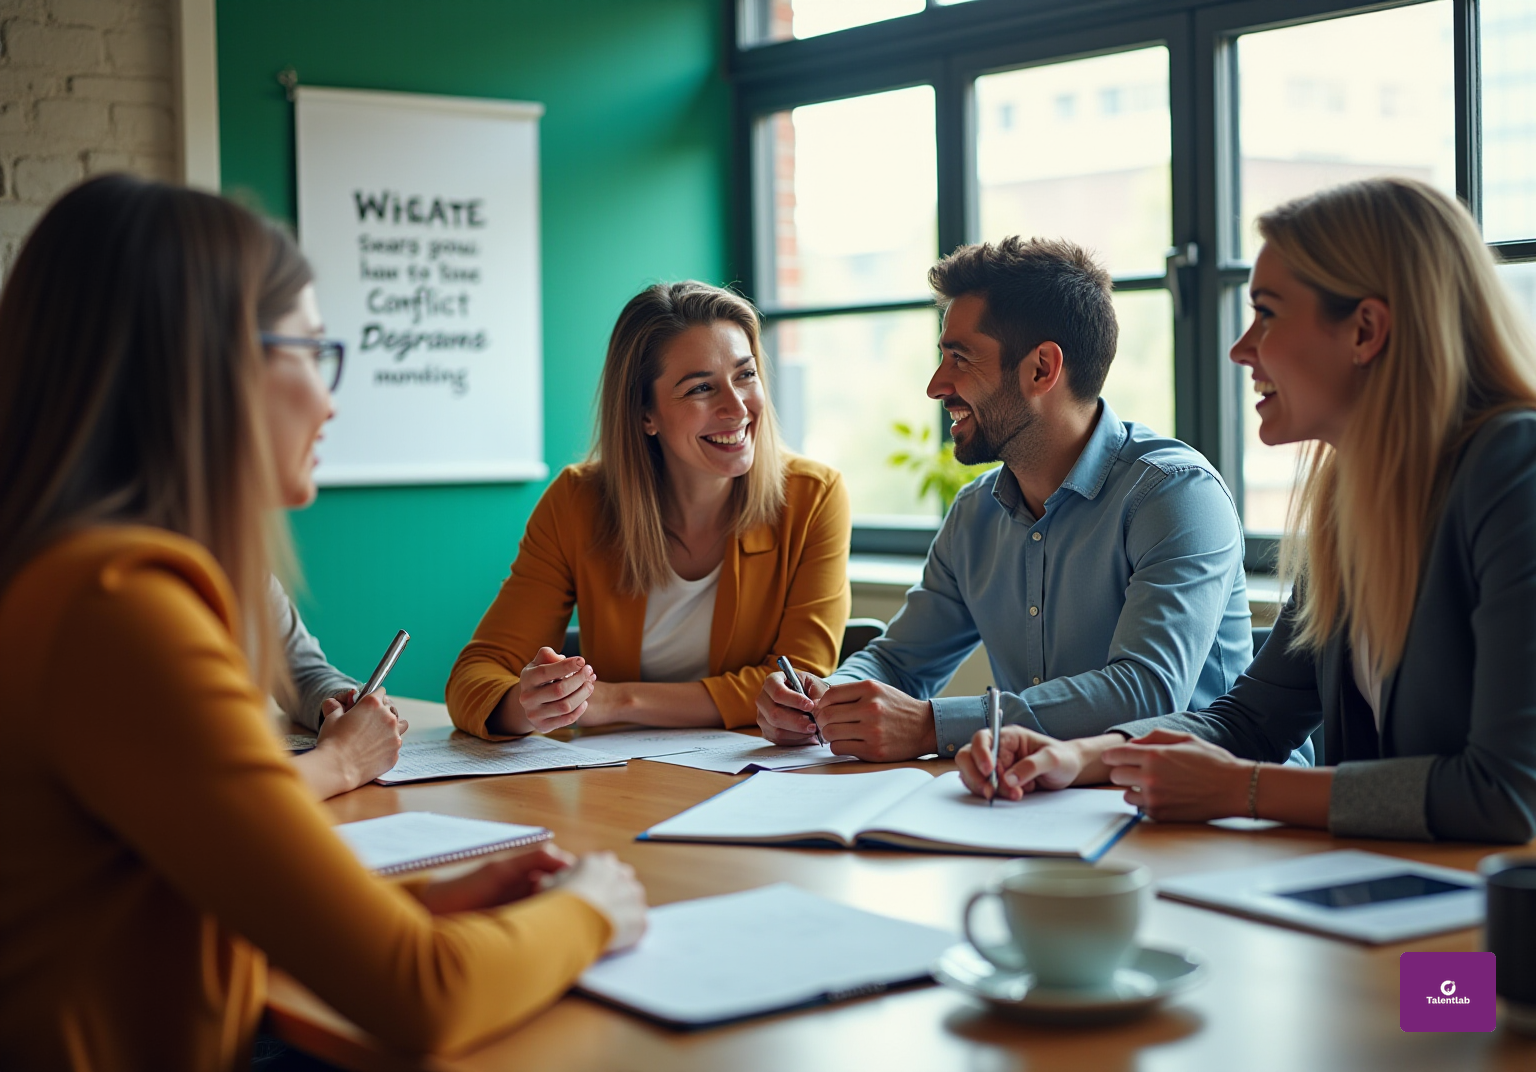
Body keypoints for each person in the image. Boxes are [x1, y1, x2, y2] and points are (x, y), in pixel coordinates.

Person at [0, 175, 647, 1071]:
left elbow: (189, 921)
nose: (331, 399)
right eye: (312, 351)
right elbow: (423, 995)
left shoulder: (60, 580)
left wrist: (434, 908)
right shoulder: (120, 607)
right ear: (211, 365)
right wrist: (591, 907)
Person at [957, 178, 1536, 844]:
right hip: (1385, 902)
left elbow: (1504, 794)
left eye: (1266, 312)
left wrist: (1244, 790)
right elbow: (1250, 721)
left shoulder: (1513, 466)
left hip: (1478, 934)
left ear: (1366, 330)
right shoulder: (1357, 501)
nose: (1240, 348)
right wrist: (1079, 756)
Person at [756, 237, 1294, 766]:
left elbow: (1147, 692)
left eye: (959, 359)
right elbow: (899, 661)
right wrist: (825, 696)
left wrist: (930, 725)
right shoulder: (974, 514)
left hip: (1221, 813)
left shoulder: (1175, 494)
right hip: (1043, 802)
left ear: (1042, 369)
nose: (936, 386)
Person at [446, 282, 850, 739]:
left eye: (746, 375)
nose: (736, 408)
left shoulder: (813, 497)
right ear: (645, 414)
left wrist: (617, 701)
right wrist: (531, 706)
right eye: (701, 387)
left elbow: (798, 684)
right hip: (618, 785)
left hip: (751, 777)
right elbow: (475, 675)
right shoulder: (578, 502)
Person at [257, 245, 407, 799]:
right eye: (312, 352)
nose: (330, 403)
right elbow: (195, 812)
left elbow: (299, 670)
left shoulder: (231, 562)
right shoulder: (127, 587)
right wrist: (343, 760)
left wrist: (341, 703)